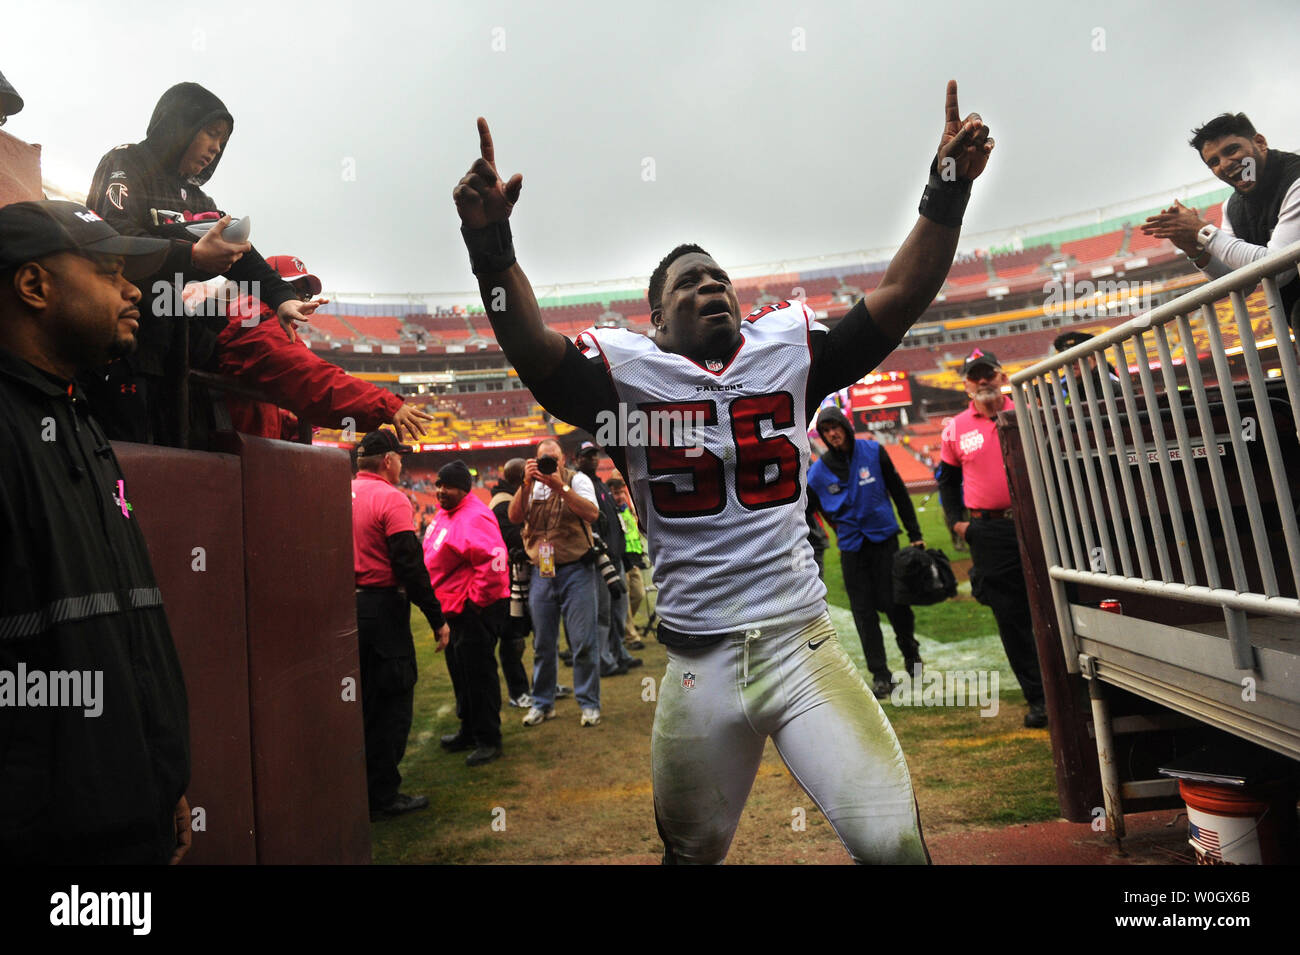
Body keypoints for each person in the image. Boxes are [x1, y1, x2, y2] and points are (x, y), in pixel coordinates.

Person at [453, 80, 993, 863]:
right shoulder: (625, 377)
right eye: (689, 284)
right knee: (690, 854)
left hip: (801, 645)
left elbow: (902, 294)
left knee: (894, 845)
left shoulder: (787, 351)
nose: (711, 286)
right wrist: (492, 251)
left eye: (720, 279)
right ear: (655, 320)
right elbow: (535, 353)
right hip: (699, 664)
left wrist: (946, 189)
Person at [0, 200, 191, 863]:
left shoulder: (79, 418)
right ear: (34, 286)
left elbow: (124, 630)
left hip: (132, 818)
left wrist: (161, 779)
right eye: (110, 270)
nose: (133, 288)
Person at [84, 82, 319, 445]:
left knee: (176, 464)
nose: (216, 147)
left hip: (173, 352)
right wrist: (190, 256)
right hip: (117, 345)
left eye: (222, 141)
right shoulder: (126, 161)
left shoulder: (196, 195)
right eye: (211, 133)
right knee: (127, 466)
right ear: (180, 124)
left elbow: (239, 250)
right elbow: (110, 236)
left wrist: (282, 296)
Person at [937, 349, 1047, 729]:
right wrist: (958, 523)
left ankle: (1067, 687)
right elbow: (947, 482)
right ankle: (1039, 698)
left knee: (1050, 606)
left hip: (1037, 523)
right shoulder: (954, 428)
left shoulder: (1029, 412)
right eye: (975, 376)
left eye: (989, 374)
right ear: (967, 385)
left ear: (1001, 376)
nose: (983, 381)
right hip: (990, 532)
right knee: (1011, 616)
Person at [215, 254, 433, 441]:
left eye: (305, 294)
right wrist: (386, 404)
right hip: (229, 458)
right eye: (291, 288)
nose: (298, 299)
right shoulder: (255, 319)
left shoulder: (257, 317)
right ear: (267, 282)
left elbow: (254, 405)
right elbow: (310, 379)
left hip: (238, 442)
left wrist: (290, 429)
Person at [351, 428, 450, 818]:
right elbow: (409, 564)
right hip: (382, 611)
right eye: (400, 458)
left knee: (359, 703)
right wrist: (436, 618)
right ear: (388, 462)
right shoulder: (391, 498)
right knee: (392, 703)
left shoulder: (341, 490)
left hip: (346, 611)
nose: (403, 463)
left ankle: (359, 788)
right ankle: (383, 795)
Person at [808, 406, 925, 698]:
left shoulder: (873, 452)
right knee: (863, 612)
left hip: (885, 541)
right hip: (852, 549)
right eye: (826, 430)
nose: (832, 434)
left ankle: (912, 658)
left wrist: (915, 534)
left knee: (896, 603)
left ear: (846, 427)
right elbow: (810, 510)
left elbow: (899, 492)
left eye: (836, 427)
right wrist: (830, 532)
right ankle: (881, 675)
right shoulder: (818, 473)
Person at [1141, 112, 1300, 327]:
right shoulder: (1232, 208)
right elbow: (1242, 283)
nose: (1225, 164)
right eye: (1214, 162)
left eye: (1231, 150)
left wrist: (1203, 231)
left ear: (1260, 143)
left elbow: (1279, 269)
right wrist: (1196, 251)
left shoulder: (1296, 181)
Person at [508, 438, 603, 727]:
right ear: (534, 461)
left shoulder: (578, 480)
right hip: (542, 570)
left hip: (576, 569)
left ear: (562, 460)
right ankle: (543, 704)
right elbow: (514, 516)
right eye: (543, 459)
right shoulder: (530, 485)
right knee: (543, 644)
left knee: (583, 641)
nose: (549, 464)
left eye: (554, 459)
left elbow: (591, 514)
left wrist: (558, 487)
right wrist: (526, 483)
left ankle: (589, 704)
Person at [423, 460, 510, 767]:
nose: (440, 491)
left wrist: (475, 604)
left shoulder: (475, 516)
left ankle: (489, 738)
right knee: (460, 671)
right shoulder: (448, 513)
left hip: (475, 608)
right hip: (454, 609)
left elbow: (495, 561)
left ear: (463, 488)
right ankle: (469, 729)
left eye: (447, 486)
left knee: (478, 673)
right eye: (438, 485)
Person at [576, 441, 642, 676]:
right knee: (603, 613)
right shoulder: (581, 487)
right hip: (600, 559)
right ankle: (605, 658)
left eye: (594, 455)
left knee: (618, 610)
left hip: (616, 556)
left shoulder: (601, 486)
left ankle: (618, 652)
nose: (592, 459)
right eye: (586, 456)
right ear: (577, 460)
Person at [488, 457, 533, 707]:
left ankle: (533, 686)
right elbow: (514, 539)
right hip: (509, 580)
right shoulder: (503, 504)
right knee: (512, 636)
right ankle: (518, 692)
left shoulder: (506, 498)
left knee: (526, 633)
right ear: (519, 480)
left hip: (517, 577)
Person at [607, 476, 648, 648]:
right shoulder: (610, 512)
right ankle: (631, 637)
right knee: (624, 600)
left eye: (622, 492)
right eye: (616, 493)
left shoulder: (626, 510)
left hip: (633, 560)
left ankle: (619, 624)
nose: (620, 496)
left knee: (638, 594)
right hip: (620, 561)